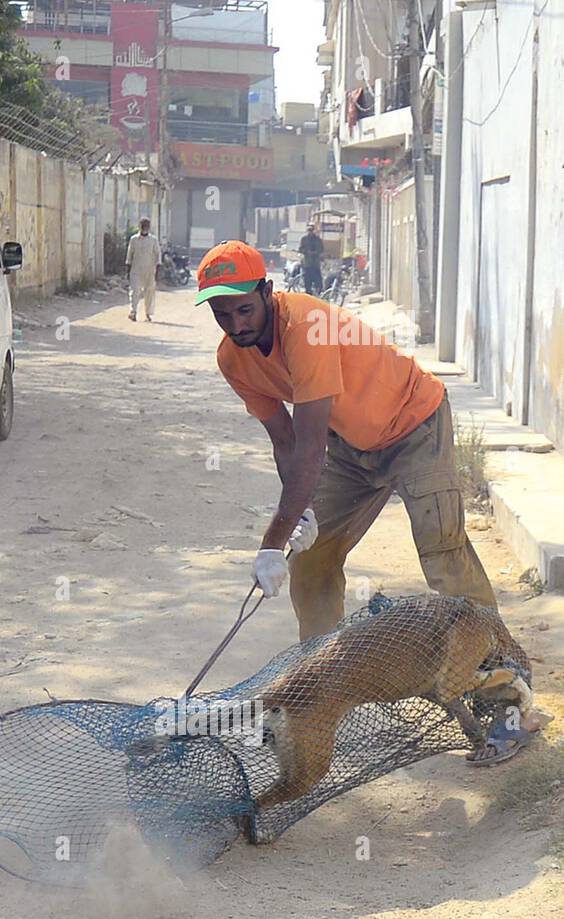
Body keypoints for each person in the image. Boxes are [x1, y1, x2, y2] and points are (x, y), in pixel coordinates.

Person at [195, 240, 527, 763]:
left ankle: (509, 702)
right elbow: (284, 441)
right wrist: (301, 518)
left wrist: (271, 541)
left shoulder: (305, 326)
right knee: (311, 563)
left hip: (414, 424)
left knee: (443, 555)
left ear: (266, 292)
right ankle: (322, 700)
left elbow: (308, 449)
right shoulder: (231, 359)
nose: (236, 323)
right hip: (351, 446)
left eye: (244, 307)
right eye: (222, 312)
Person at [125, 218, 161, 322]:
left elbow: (158, 255)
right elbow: (129, 255)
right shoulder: (134, 239)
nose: (144, 227)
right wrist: (128, 270)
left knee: (149, 292)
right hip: (136, 269)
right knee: (134, 291)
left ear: (149, 227)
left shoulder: (153, 240)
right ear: (140, 226)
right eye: (143, 225)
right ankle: (133, 312)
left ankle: (148, 314)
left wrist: (157, 271)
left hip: (150, 270)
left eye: (146, 225)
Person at [298, 223, 324, 296]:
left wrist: (316, 252)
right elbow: (300, 249)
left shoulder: (318, 239)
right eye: (309, 230)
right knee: (307, 282)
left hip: (315, 264)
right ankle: (308, 295)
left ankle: (317, 294)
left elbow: (321, 249)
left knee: (318, 282)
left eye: (312, 230)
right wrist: (306, 252)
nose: (310, 232)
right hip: (307, 264)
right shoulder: (304, 239)